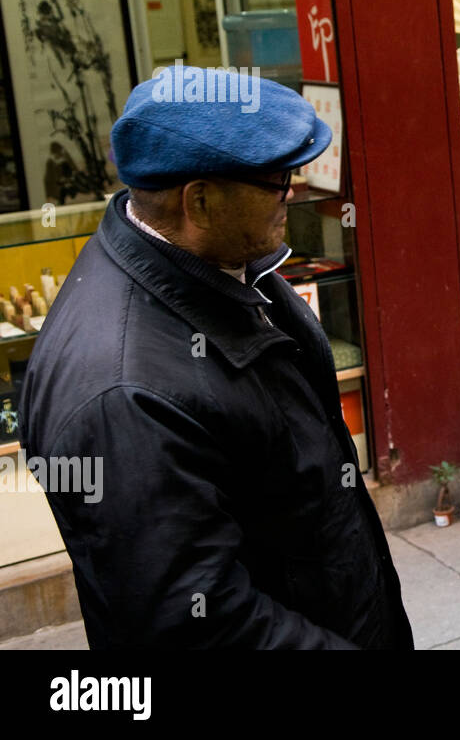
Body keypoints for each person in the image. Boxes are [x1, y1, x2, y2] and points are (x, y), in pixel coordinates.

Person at [18, 65, 413, 649]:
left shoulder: (219, 263)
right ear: (199, 202)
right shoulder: (126, 394)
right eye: (277, 179)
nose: (293, 191)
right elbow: (198, 622)